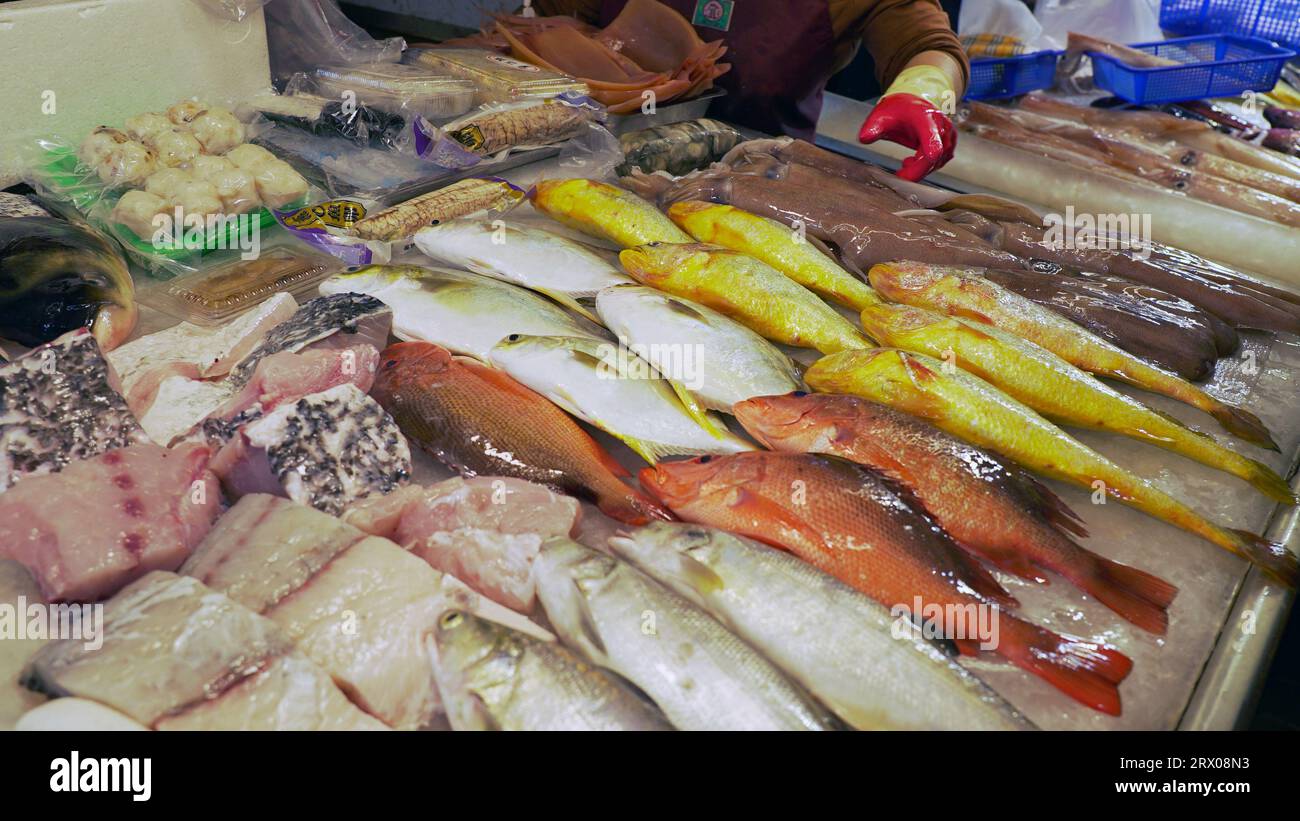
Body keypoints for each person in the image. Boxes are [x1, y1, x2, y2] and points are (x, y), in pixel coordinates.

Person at [534, 0, 968, 181]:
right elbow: (549, 22)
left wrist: (924, 95)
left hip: (756, 186)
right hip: (577, 162)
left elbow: (928, 46)